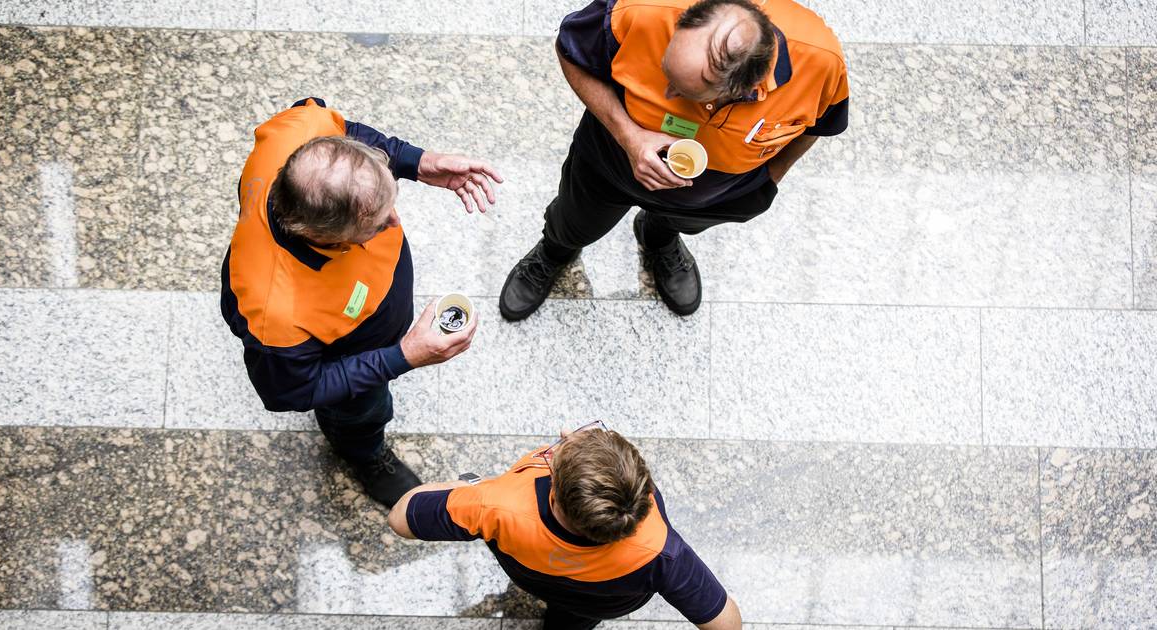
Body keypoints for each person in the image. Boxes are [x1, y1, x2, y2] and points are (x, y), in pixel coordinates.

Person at [222, 97, 503, 508]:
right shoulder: (276, 315)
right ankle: (364, 454)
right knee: (360, 414)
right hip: (350, 357)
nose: (394, 220)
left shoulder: (300, 132)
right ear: (328, 238)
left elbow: (344, 133)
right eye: (378, 222)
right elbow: (291, 392)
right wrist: (402, 356)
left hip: (362, 303)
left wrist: (414, 162)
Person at [499, 0, 848, 319]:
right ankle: (556, 251)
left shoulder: (820, 62)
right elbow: (570, 52)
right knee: (575, 220)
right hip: (612, 162)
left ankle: (659, 237)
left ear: (740, 91)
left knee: (680, 221)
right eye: (668, 72)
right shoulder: (638, 10)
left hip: (719, 196)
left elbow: (818, 124)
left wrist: (770, 179)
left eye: (684, 93)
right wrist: (629, 136)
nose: (668, 93)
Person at [388, 421, 742, 630]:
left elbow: (401, 517)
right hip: (602, 603)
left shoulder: (494, 505)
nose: (561, 435)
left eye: (554, 454)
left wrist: (473, 489)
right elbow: (726, 622)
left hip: (531, 575)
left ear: (555, 496)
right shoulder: (662, 551)